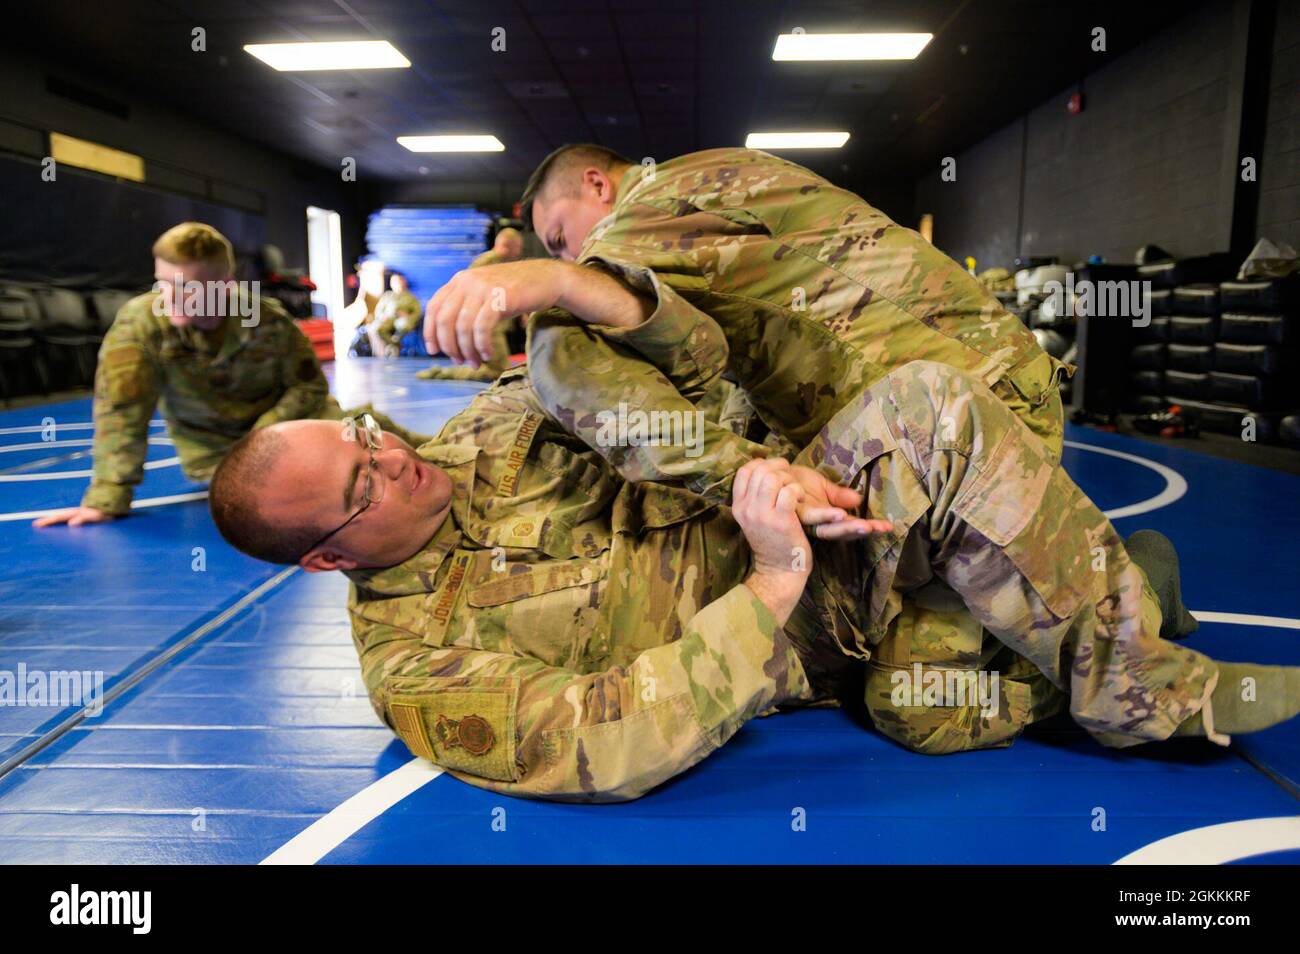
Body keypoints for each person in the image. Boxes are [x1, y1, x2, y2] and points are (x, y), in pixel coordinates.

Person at [208, 290, 1300, 800]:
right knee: (923, 711)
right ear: (328, 558)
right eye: (362, 484)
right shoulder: (417, 667)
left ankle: (1144, 691)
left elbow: (685, 370)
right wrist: (774, 579)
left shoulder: (486, 427)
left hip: (827, 515)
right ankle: (1132, 588)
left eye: (363, 435)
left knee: (924, 407)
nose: (392, 456)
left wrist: (591, 296)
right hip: (809, 633)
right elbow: (610, 742)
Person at [34, 224, 425, 528]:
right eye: (163, 283)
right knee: (306, 491)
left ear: (224, 286)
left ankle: (439, 450)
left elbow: (308, 386)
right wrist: (107, 498)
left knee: (373, 446)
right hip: (216, 455)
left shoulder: (265, 319)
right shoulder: (141, 325)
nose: (170, 298)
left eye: (186, 288)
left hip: (289, 431)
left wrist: (266, 433)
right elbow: (121, 410)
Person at [415, 227, 525, 382]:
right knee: (497, 372)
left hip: (493, 325)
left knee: (497, 370)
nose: (518, 253)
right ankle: (441, 373)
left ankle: (442, 372)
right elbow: (472, 290)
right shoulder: (488, 262)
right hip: (489, 325)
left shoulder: (501, 263)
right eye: (517, 248)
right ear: (507, 245)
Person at [369, 272, 422, 357]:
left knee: (404, 325)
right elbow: (378, 310)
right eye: (394, 281)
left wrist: (408, 317)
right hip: (388, 319)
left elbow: (417, 313)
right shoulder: (387, 296)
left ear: (404, 282)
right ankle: (393, 344)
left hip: (402, 320)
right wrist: (382, 316)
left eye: (399, 281)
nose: (397, 283)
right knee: (375, 328)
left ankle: (394, 343)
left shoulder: (411, 297)